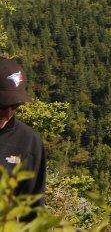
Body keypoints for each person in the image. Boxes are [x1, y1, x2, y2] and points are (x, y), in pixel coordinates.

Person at [0, 57, 46, 200]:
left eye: (15, 106)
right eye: (1, 105)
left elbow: (32, 208)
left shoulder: (28, 142)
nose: (7, 114)